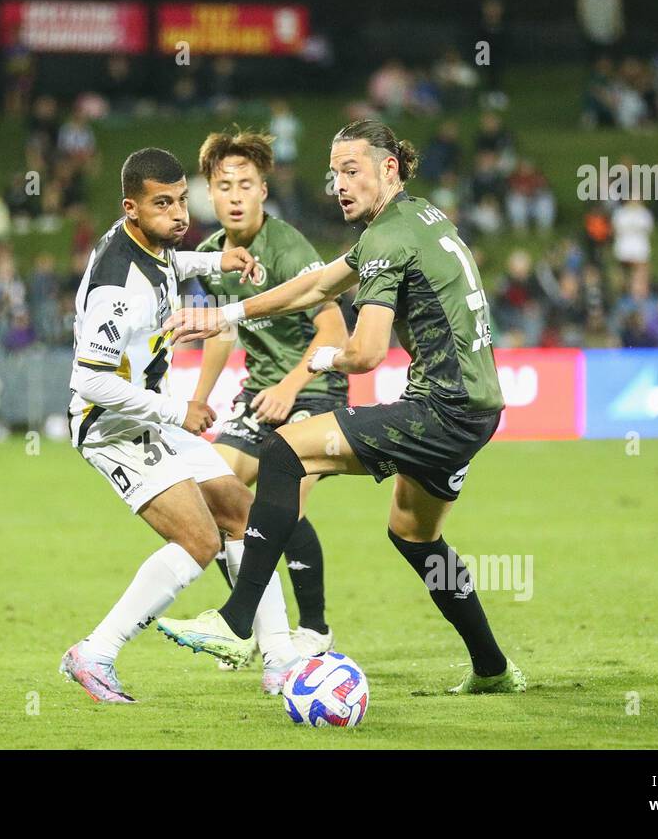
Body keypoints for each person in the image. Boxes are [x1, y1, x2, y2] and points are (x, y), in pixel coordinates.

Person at [157, 120, 524, 696]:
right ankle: (492, 668)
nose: (340, 186)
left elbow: (367, 353)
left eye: (352, 171)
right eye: (335, 174)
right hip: (476, 409)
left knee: (283, 451)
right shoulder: (420, 217)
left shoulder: (386, 238)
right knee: (413, 535)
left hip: (441, 409)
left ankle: (235, 620)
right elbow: (315, 287)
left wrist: (323, 361)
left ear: (390, 169)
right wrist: (225, 316)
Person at [59, 148, 303, 704]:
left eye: (181, 202)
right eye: (162, 205)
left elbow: (170, 267)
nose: (179, 216)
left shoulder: (149, 243)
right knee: (197, 539)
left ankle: (281, 660)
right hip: (112, 425)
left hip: (152, 414)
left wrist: (216, 262)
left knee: (241, 510)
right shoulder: (117, 290)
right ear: (130, 208)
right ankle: (95, 653)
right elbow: (89, 380)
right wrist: (177, 411)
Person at [191, 129, 349, 660]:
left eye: (245, 185)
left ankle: (314, 628)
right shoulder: (212, 255)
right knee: (213, 494)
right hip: (260, 393)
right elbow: (222, 333)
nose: (234, 196)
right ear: (208, 194)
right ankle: (252, 624)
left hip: (315, 387)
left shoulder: (286, 247)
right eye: (223, 185)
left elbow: (335, 331)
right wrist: (198, 400)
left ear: (264, 191)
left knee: (279, 509)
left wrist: (289, 385)